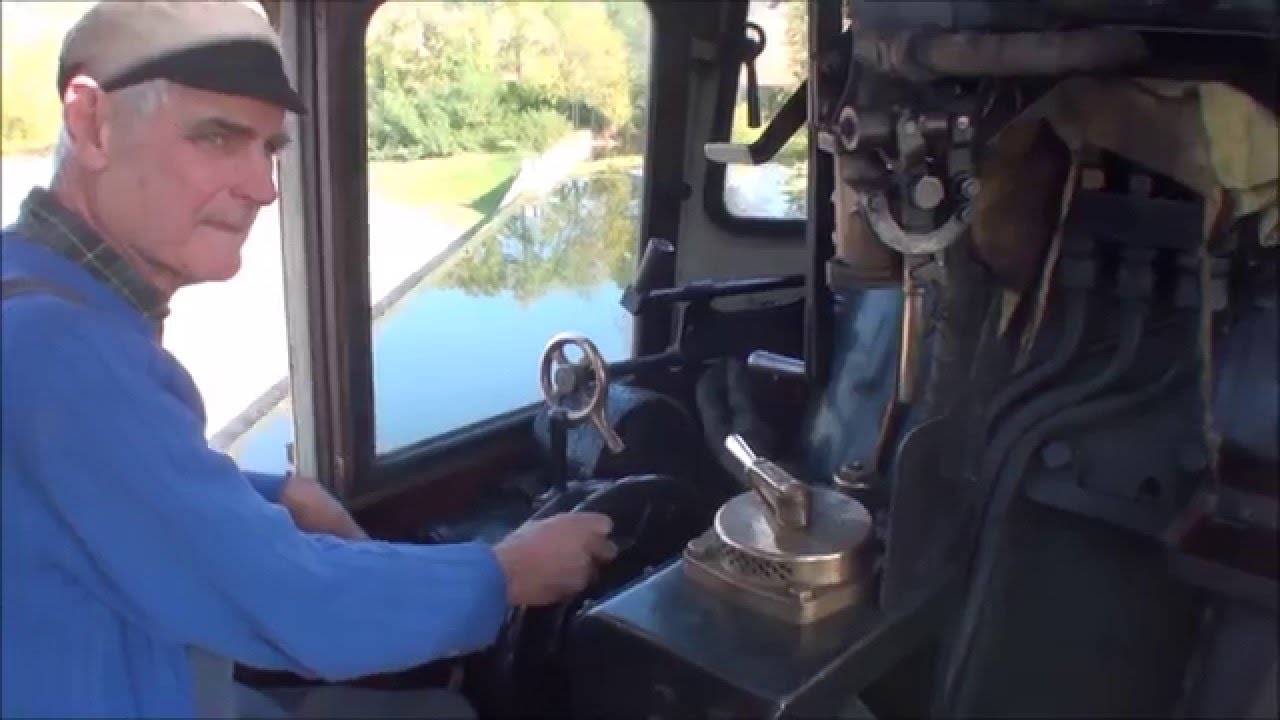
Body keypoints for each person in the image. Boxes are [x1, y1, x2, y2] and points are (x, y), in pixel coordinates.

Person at [0, 2, 617, 718]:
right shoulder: (59, 355)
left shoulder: (35, 295)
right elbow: (295, 603)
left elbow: (101, 483)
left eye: (270, 149)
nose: (262, 187)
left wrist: (274, 494)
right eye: (219, 137)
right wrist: (508, 571)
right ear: (90, 123)